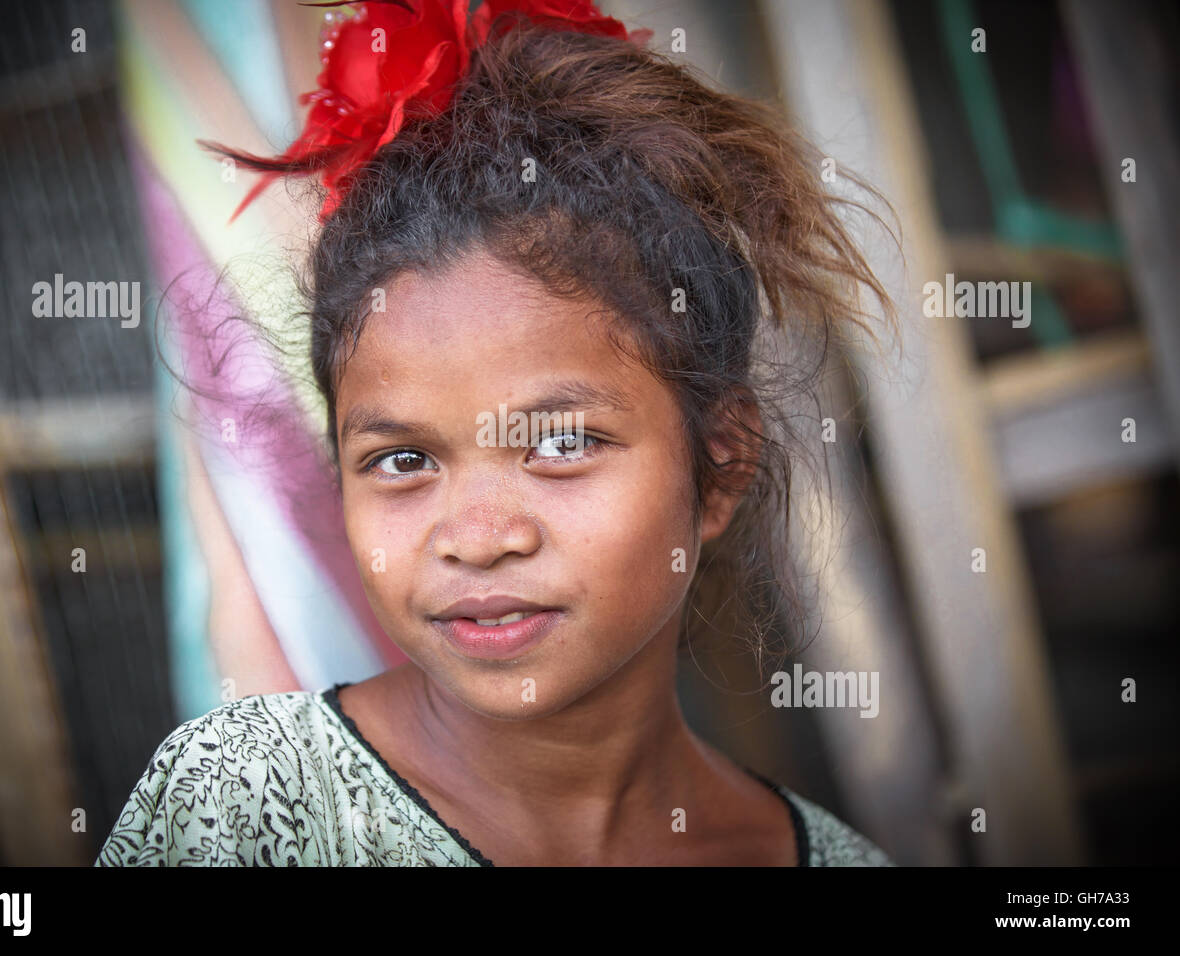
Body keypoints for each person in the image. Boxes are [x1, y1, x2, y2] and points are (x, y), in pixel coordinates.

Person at [98, 0, 897, 867]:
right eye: (402, 460)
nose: (477, 540)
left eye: (561, 443)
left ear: (722, 461)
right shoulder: (250, 803)